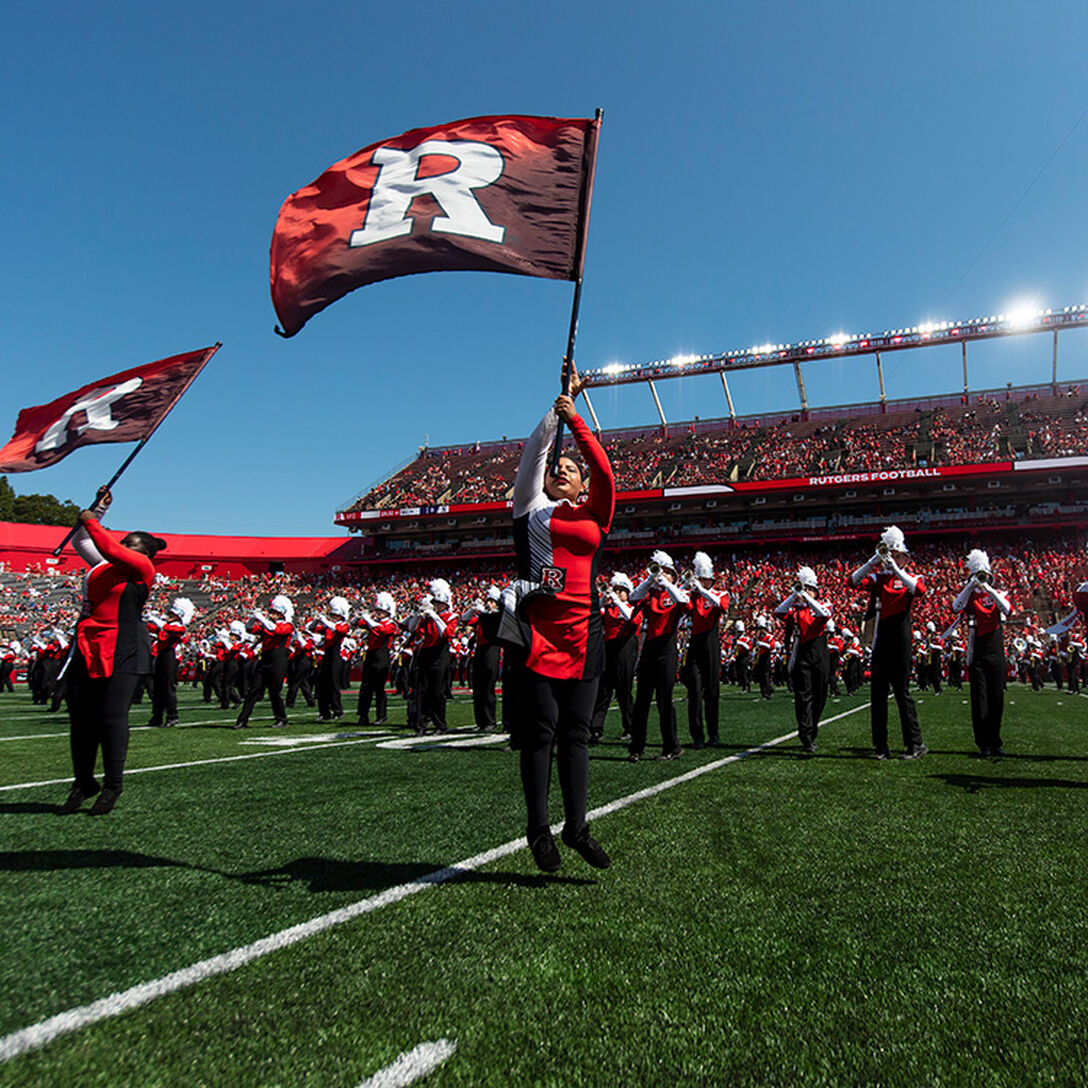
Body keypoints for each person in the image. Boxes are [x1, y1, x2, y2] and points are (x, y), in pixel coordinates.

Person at [509, 369, 615, 872]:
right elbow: (534, 450)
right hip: (541, 636)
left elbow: (606, 473)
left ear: (582, 482)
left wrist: (580, 422)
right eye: (557, 468)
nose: (560, 469)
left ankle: (578, 828)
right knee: (542, 734)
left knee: (577, 734)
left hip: (586, 634)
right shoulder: (531, 509)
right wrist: (560, 407)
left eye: (569, 467)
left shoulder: (596, 512)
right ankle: (538, 829)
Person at [59, 489, 166, 815]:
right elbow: (81, 542)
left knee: (111, 717)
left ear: (144, 554)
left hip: (124, 647)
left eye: (130, 545)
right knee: (80, 719)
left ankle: (113, 785)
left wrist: (92, 520)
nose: (123, 548)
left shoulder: (142, 569)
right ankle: (83, 781)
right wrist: (100, 508)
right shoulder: (104, 566)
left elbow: (103, 543)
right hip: (88, 645)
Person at [849, 526, 928, 760]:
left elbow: (919, 590)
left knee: (902, 691)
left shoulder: (912, 577)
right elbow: (853, 580)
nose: (893, 558)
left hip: (901, 634)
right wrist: (875, 559)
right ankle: (880, 745)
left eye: (898, 554)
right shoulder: (879, 578)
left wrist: (896, 570)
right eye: (891, 554)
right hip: (881, 634)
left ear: (904, 557)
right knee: (878, 692)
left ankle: (915, 743)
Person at [629, 550, 690, 762]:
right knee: (642, 700)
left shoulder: (676, 593)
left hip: (667, 646)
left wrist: (667, 583)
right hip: (649, 647)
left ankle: (671, 747)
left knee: (665, 700)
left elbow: (683, 601)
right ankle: (636, 747)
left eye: (666, 572)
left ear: (673, 575)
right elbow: (632, 597)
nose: (661, 574)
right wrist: (649, 580)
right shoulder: (650, 594)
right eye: (659, 570)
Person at [952, 548, 1012, 756]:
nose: (981, 578)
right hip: (976, 650)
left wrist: (989, 588)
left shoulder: (998, 594)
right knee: (980, 699)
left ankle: (996, 741)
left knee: (997, 697)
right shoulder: (969, 597)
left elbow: (1007, 609)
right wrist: (971, 585)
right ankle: (983, 742)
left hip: (996, 649)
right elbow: (955, 606)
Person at [774, 566, 832, 754]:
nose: (804, 592)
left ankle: (811, 729)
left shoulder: (823, 604)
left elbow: (824, 615)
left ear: (815, 591)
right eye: (802, 588)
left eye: (808, 588)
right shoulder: (795, 610)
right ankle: (805, 735)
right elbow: (778, 612)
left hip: (820, 651)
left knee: (820, 695)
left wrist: (807, 598)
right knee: (803, 696)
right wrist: (794, 596)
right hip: (802, 654)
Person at [682, 551, 728, 748]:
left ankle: (713, 733)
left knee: (712, 691)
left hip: (711, 640)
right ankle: (697, 736)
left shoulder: (720, 593)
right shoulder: (694, 595)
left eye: (705, 579)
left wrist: (700, 588)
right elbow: (684, 605)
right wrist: (687, 586)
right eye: (700, 578)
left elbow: (719, 605)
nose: (703, 581)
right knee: (694, 691)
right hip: (695, 640)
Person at [590, 572, 641, 743]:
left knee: (623, 690)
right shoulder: (609, 609)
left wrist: (617, 601)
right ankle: (596, 729)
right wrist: (603, 601)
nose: (617, 593)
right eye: (616, 590)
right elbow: (594, 616)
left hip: (625, 647)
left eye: (621, 590)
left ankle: (630, 727)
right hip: (608, 648)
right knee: (603, 691)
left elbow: (630, 618)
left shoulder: (632, 607)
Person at [234, 594, 294, 729]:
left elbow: (276, 630)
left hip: (278, 659)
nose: (271, 614)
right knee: (253, 690)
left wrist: (261, 618)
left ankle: (282, 719)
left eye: (274, 612)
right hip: (265, 658)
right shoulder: (267, 625)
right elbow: (249, 628)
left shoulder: (287, 625)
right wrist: (253, 617)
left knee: (274, 692)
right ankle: (242, 720)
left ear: (280, 614)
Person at [147, 597, 194, 728]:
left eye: (172, 614)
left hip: (169, 656)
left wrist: (156, 620)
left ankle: (172, 716)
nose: (169, 615)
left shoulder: (178, 627)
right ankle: (157, 716)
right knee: (158, 688)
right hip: (162, 655)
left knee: (168, 687)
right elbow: (153, 628)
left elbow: (173, 630)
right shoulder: (168, 625)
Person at [461, 586, 503, 732]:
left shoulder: (496, 615)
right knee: (477, 686)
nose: (488, 603)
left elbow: (492, 617)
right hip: (480, 649)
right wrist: (473, 609)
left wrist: (484, 611)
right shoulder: (482, 615)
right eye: (487, 601)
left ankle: (490, 720)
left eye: (491, 601)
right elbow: (464, 619)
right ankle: (480, 721)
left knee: (488, 686)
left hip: (492, 648)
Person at [357, 591, 399, 725]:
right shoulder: (374, 622)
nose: (378, 613)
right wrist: (362, 615)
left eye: (381, 611)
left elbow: (382, 630)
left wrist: (368, 619)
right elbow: (356, 622)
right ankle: (363, 715)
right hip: (370, 655)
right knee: (365, 687)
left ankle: (381, 715)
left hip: (382, 655)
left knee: (379, 687)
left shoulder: (391, 624)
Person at [312, 596, 351, 721]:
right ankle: (324, 712)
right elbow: (311, 628)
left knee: (334, 684)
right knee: (322, 684)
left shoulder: (343, 625)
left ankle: (337, 711)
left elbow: (337, 630)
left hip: (336, 655)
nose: (333, 617)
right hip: (327, 654)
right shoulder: (328, 626)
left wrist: (325, 620)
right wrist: (316, 619)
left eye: (335, 615)